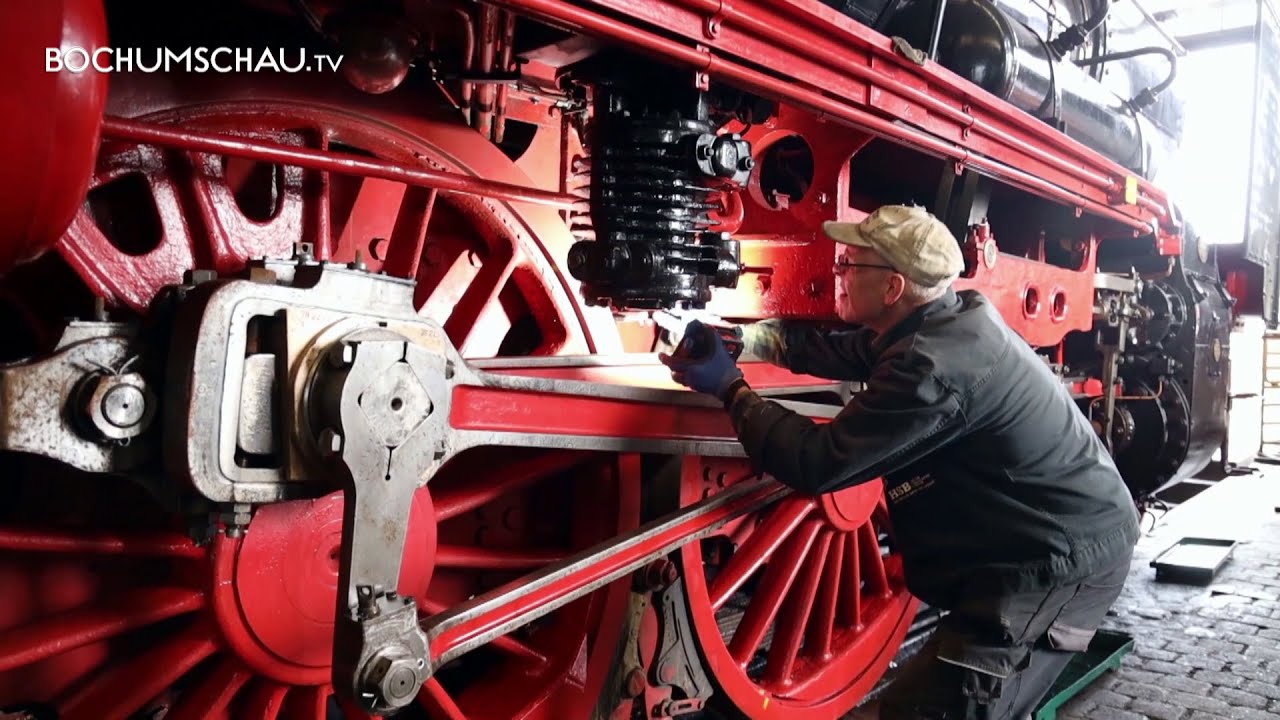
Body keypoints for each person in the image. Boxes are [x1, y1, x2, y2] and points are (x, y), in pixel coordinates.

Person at [659, 204, 1139, 719]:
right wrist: (745, 340)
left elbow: (818, 462)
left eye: (851, 265)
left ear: (892, 288)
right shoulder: (945, 319)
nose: (839, 272)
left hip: (1057, 564)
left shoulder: (932, 367)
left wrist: (731, 390)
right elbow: (845, 352)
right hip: (1041, 542)